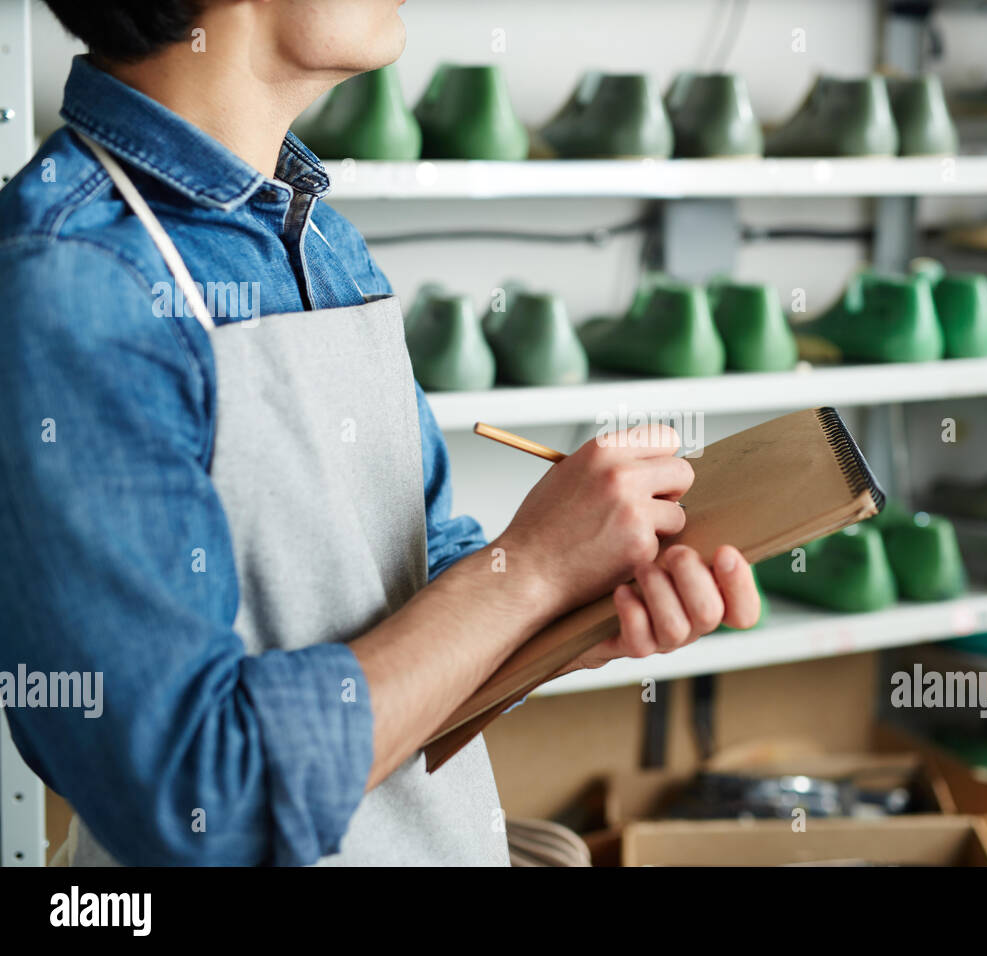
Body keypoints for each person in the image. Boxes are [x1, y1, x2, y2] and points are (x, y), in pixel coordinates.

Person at [0, 0, 761, 866]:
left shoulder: (323, 243)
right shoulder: (72, 282)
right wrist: (535, 571)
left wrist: (580, 609)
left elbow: (421, 600)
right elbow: (193, 793)